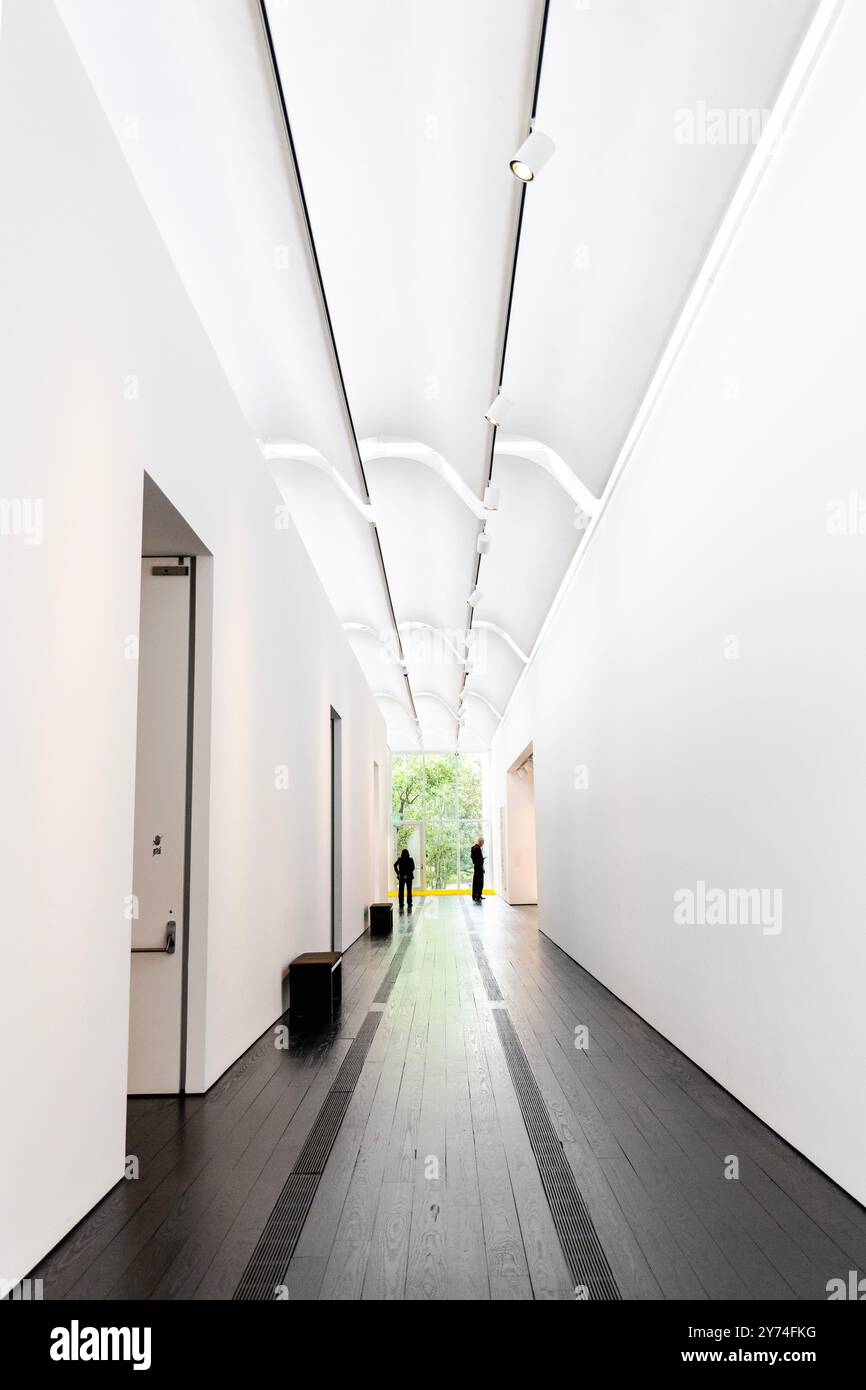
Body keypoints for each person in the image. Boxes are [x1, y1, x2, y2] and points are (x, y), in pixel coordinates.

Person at [394, 847, 415, 913]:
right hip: (409, 877)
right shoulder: (410, 859)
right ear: (408, 853)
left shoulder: (400, 859)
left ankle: (401, 903)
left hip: (401, 877)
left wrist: (398, 873)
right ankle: (409, 903)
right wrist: (407, 874)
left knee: (401, 891)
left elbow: (394, 865)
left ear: (402, 854)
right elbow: (412, 868)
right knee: (409, 890)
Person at [470, 836, 485, 902]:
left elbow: (473, 858)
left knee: (475, 881)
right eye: (483, 842)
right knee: (480, 882)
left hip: (475, 867)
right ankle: (478, 895)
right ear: (481, 842)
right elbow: (480, 860)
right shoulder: (478, 848)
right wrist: (483, 868)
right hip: (479, 867)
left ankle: (474, 895)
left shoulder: (473, 848)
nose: (483, 844)